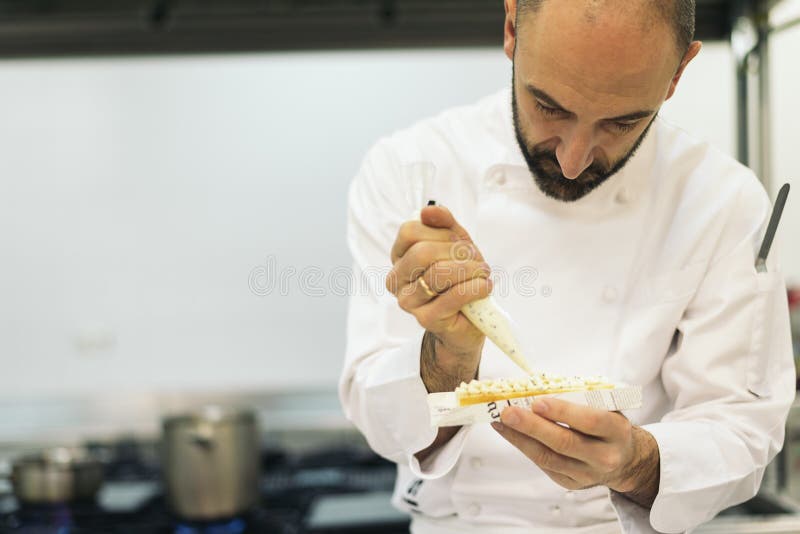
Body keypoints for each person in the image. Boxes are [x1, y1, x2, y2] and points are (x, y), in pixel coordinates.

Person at [339, 0, 795, 532]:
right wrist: (448, 357)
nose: (573, 160)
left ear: (678, 73)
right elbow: (383, 426)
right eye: (548, 107)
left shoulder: (722, 201)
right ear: (511, 28)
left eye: (622, 123)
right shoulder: (410, 168)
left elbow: (743, 426)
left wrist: (637, 463)